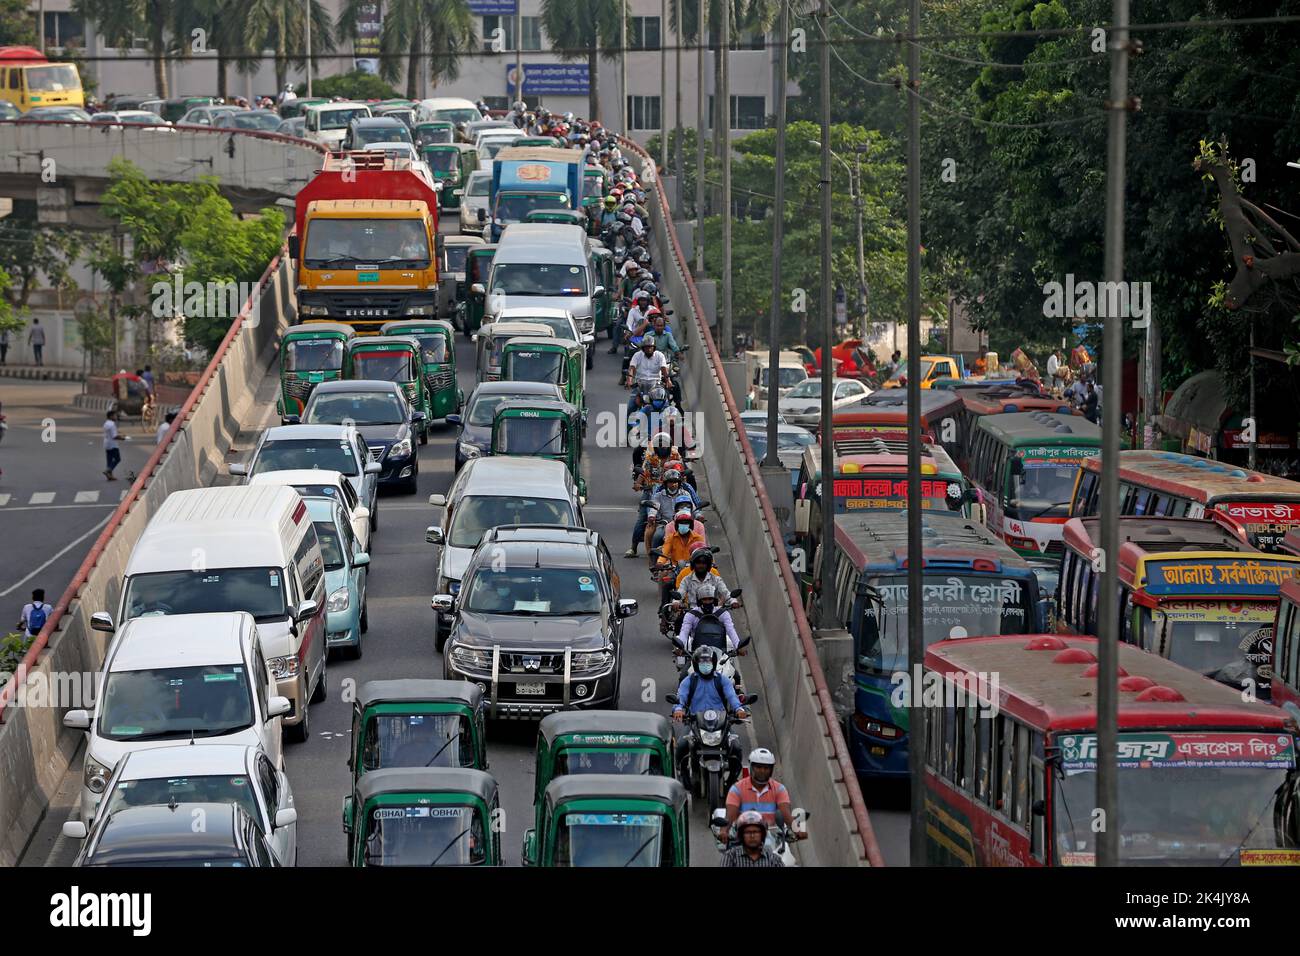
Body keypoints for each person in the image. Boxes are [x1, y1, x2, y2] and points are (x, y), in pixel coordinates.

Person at [671, 646, 748, 782]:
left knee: (736, 747)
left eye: (708, 661)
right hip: (695, 722)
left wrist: (739, 710)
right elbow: (681, 698)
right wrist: (678, 710)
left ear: (713, 662)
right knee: (682, 745)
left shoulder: (722, 680)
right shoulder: (689, 681)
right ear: (695, 663)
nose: (705, 664)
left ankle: (732, 779)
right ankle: (682, 776)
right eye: (702, 662)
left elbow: (732, 697)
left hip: (721, 722)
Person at [719, 748, 806, 845]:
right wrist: (724, 831)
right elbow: (730, 816)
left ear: (771, 769)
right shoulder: (737, 789)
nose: (762, 771)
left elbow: (785, 814)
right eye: (758, 767)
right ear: (752, 767)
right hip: (742, 841)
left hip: (771, 842)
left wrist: (797, 830)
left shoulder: (779, 789)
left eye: (766, 768)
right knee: (729, 858)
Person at [678, 583, 741, 654]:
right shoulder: (691, 615)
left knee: (730, 662)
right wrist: (680, 646)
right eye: (704, 599)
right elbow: (684, 631)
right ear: (699, 601)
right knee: (683, 662)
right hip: (696, 653)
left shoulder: (723, 614)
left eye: (710, 599)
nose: (707, 602)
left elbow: (731, 630)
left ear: (714, 600)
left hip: (720, 653)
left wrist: (738, 646)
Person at [720, 811, 784, 867]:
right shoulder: (730, 857)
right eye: (748, 832)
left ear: (762, 834)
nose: (752, 836)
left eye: (756, 832)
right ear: (741, 835)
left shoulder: (773, 859)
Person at [103, 409, 127, 480]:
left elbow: (111, 433)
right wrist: (122, 438)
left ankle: (109, 476)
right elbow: (114, 436)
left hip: (106, 443)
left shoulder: (106, 423)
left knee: (109, 460)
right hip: (113, 444)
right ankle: (108, 470)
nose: (116, 417)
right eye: (115, 415)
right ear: (111, 416)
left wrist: (118, 433)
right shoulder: (112, 424)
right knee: (117, 459)